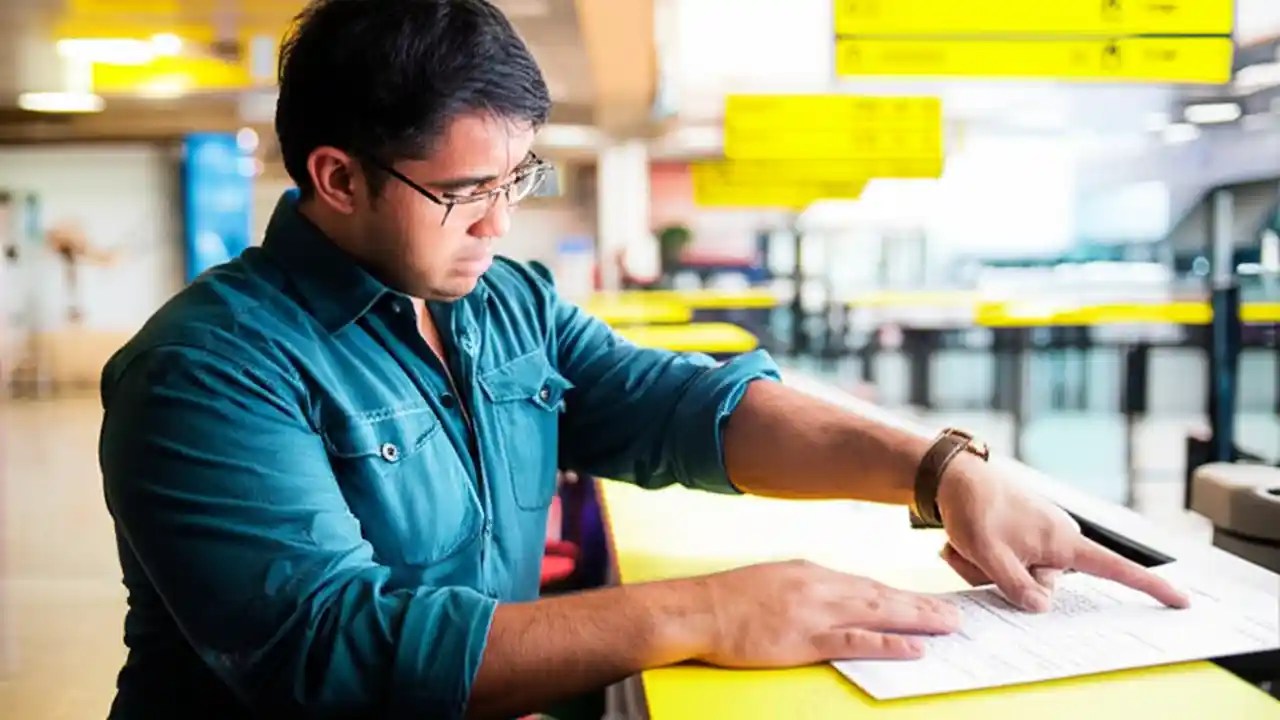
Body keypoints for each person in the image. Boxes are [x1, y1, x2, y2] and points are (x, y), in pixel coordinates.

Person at [98, 1, 1189, 718]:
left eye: (513, 181)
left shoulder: (503, 304)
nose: (496, 225)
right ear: (337, 178)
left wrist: (939, 470)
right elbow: (328, 657)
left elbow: (676, 409)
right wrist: (704, 612)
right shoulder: (207, 369)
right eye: (462, 191)